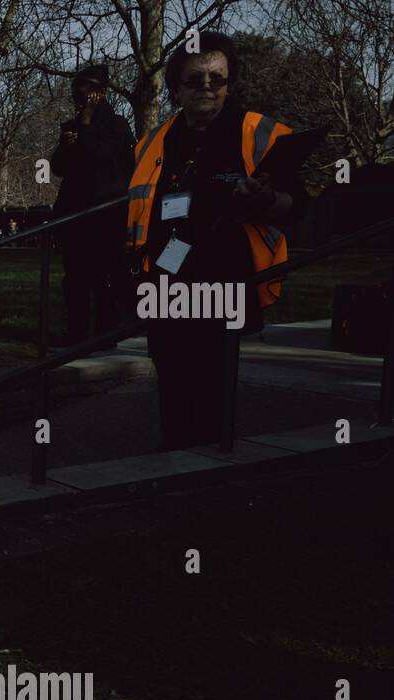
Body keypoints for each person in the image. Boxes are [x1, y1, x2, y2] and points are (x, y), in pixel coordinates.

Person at [127, 31, 308, 450]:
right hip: (166, 274)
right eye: (195, 80)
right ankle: (176, 453)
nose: (207, 87)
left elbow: (297, 203)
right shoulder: (156, 139)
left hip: (223, 275)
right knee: (170, 369)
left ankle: (207, 459)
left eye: (217, 79)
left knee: (211, 373)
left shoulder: (256, 131)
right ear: (176, 89)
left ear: (229, 83)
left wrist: (268, 200)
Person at [50, 63, 136, 347]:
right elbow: (59, 167)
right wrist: (66, 145)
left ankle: (106, 333)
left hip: (105, 215)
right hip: (75, 216)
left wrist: (86, 126)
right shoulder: (74, 126)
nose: (78, 101)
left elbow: (101, 161)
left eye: (83, 95)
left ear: (99, 94)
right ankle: (76, 333)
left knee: (104, 278)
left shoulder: (117, 126)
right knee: (75, 279)